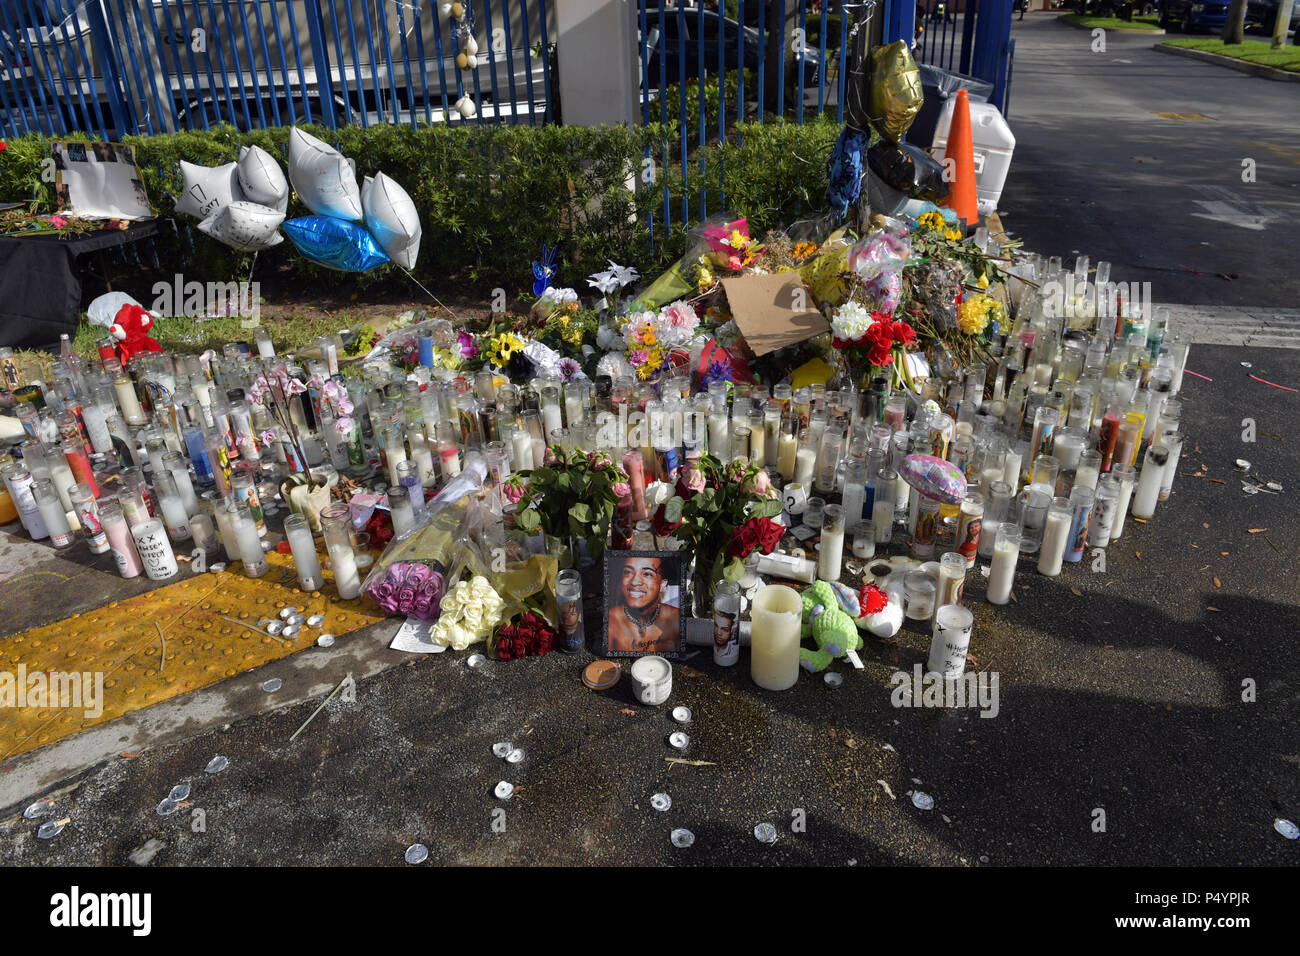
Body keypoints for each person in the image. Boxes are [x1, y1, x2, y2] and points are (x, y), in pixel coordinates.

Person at [607, 556, 680, 654]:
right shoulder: (611, 620)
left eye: (647, 574)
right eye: (628, 572)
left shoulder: (676, 619)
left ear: (663, 585)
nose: (635, 582)